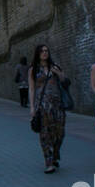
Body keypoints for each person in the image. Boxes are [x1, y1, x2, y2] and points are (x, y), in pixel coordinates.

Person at [29, 42, 67, 173]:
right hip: (42, 106)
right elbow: (32, 89)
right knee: (45, 134)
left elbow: (65, 81)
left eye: (46, 51)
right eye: (42, 51)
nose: (45, 53)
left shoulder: (55, 66)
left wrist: (59, 73)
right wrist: (32, 108)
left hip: (57, 105)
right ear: (38, 54)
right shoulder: (33, 70)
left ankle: (55, 154)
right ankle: (49, 162)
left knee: (60, 133)